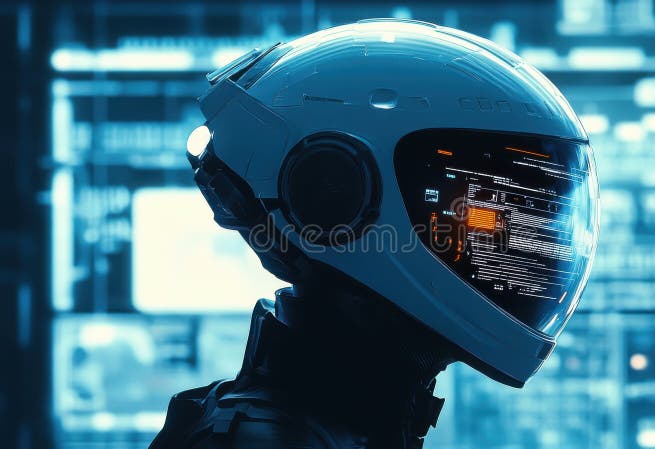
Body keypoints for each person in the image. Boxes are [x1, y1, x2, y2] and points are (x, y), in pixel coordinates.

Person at [150, 19, 599, 449]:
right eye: (486, 206)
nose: (523, 235)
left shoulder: (337, 425)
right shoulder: (277, 441)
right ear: (334, 194)